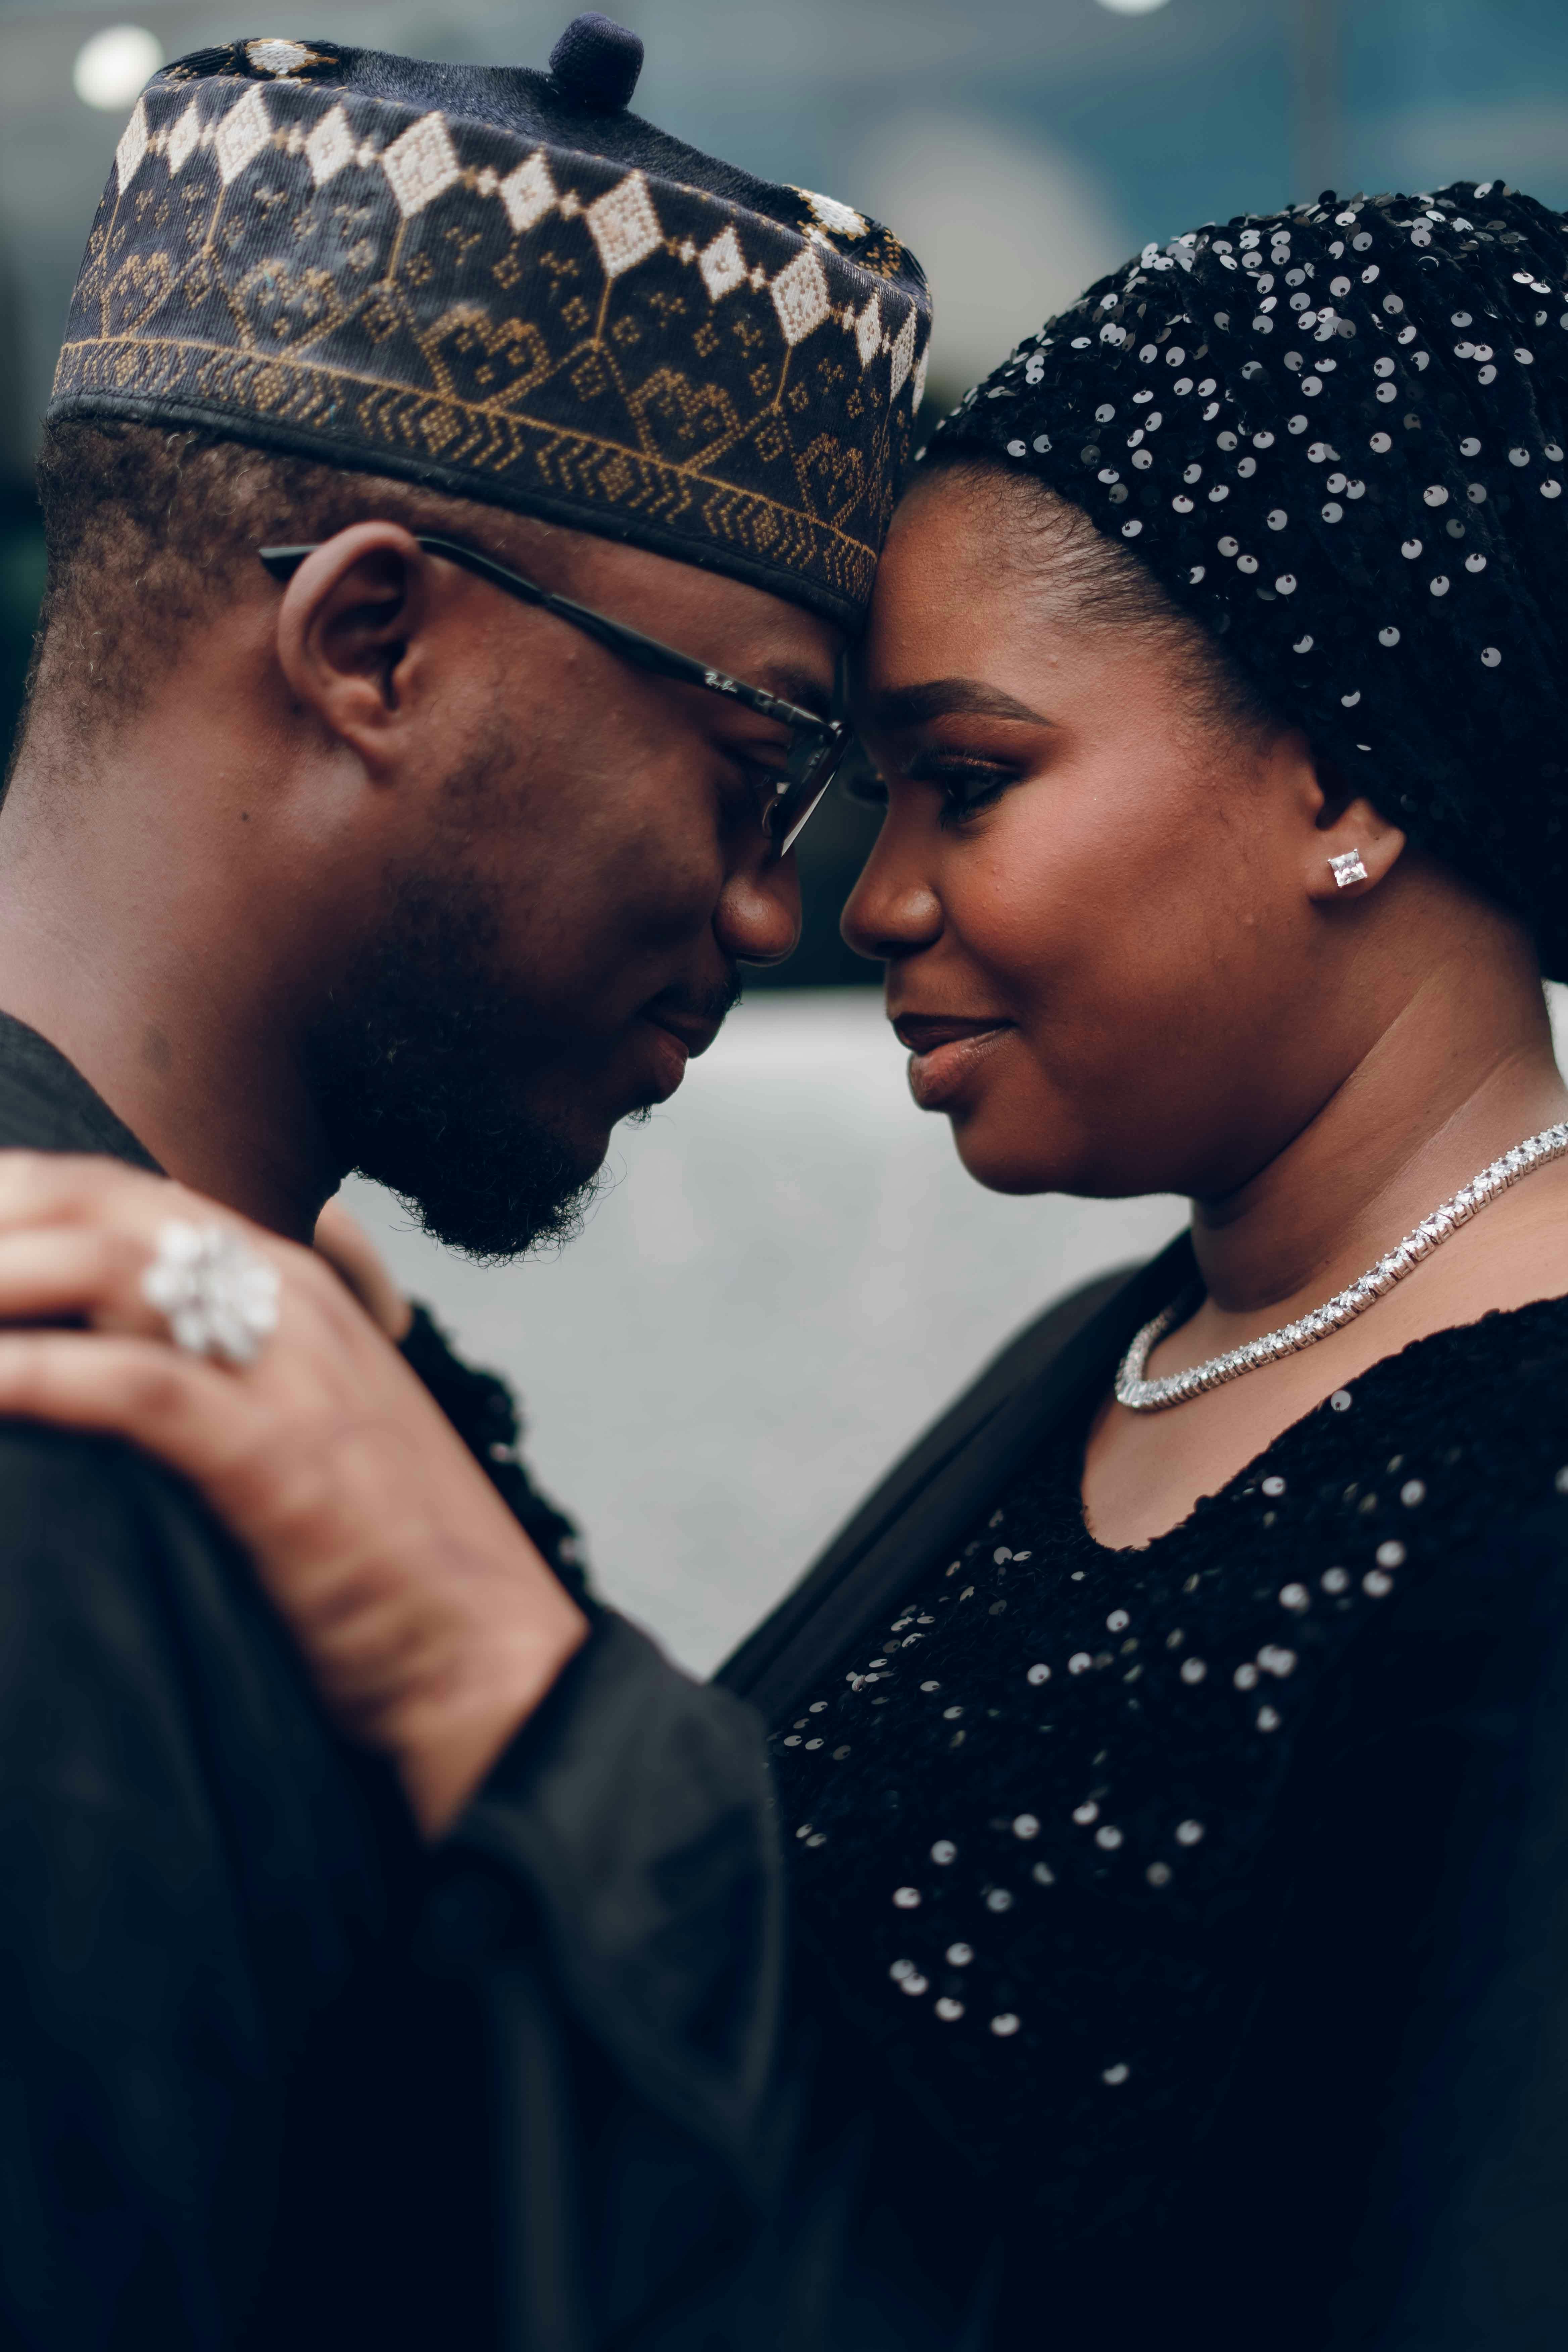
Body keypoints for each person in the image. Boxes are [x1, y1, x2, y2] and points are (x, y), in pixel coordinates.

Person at [7, 179, 1568, 2347]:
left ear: (1337, 769)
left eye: (965, 780)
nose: (852, 902)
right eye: (827, 787)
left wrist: (517, 1690)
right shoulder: (1117, 1366)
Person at [0, 17, 929, 2348]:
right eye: (756, 765)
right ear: (371, 644)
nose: (770, 909)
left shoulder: (250, 1347)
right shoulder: (52, 1418)